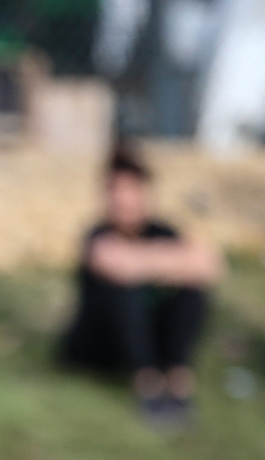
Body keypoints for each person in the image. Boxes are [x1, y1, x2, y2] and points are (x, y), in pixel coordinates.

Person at [61, 146, 222, 425]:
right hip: (98, 345)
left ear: (146, 193)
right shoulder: (96, 234)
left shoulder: (164, 230)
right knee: (123, 290)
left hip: (151, 333)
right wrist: (168, 262)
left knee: (191, 289)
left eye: (130, 189)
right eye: (115, 190)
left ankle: (178, 384)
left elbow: (209, 265)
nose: (123, 199)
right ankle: (148, 389)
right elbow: (113, 264)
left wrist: (140, 261)